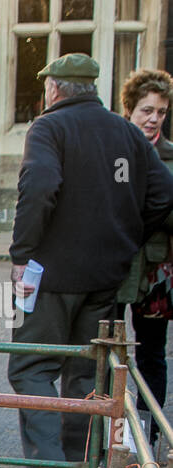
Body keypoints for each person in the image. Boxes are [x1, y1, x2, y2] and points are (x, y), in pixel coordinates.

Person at [10, 54, 173, 468]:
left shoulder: (48, 127)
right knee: (86, 372)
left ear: (55, 89)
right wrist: (128, 236)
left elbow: (40, 185)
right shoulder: (126, 132)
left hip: (50, 274)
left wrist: (22, 252)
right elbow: (163, 192)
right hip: (106, 276)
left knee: (33, 367)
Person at [116, 69, 173, 445]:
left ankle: (149, 438)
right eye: (147, 110)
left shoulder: (169, 156)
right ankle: (111, 435)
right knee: (110, 352)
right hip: (115, 264)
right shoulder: (115, 148)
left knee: (152, 355)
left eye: (162, 111)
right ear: (130, 109)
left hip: (156, 271)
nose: (154, 118)